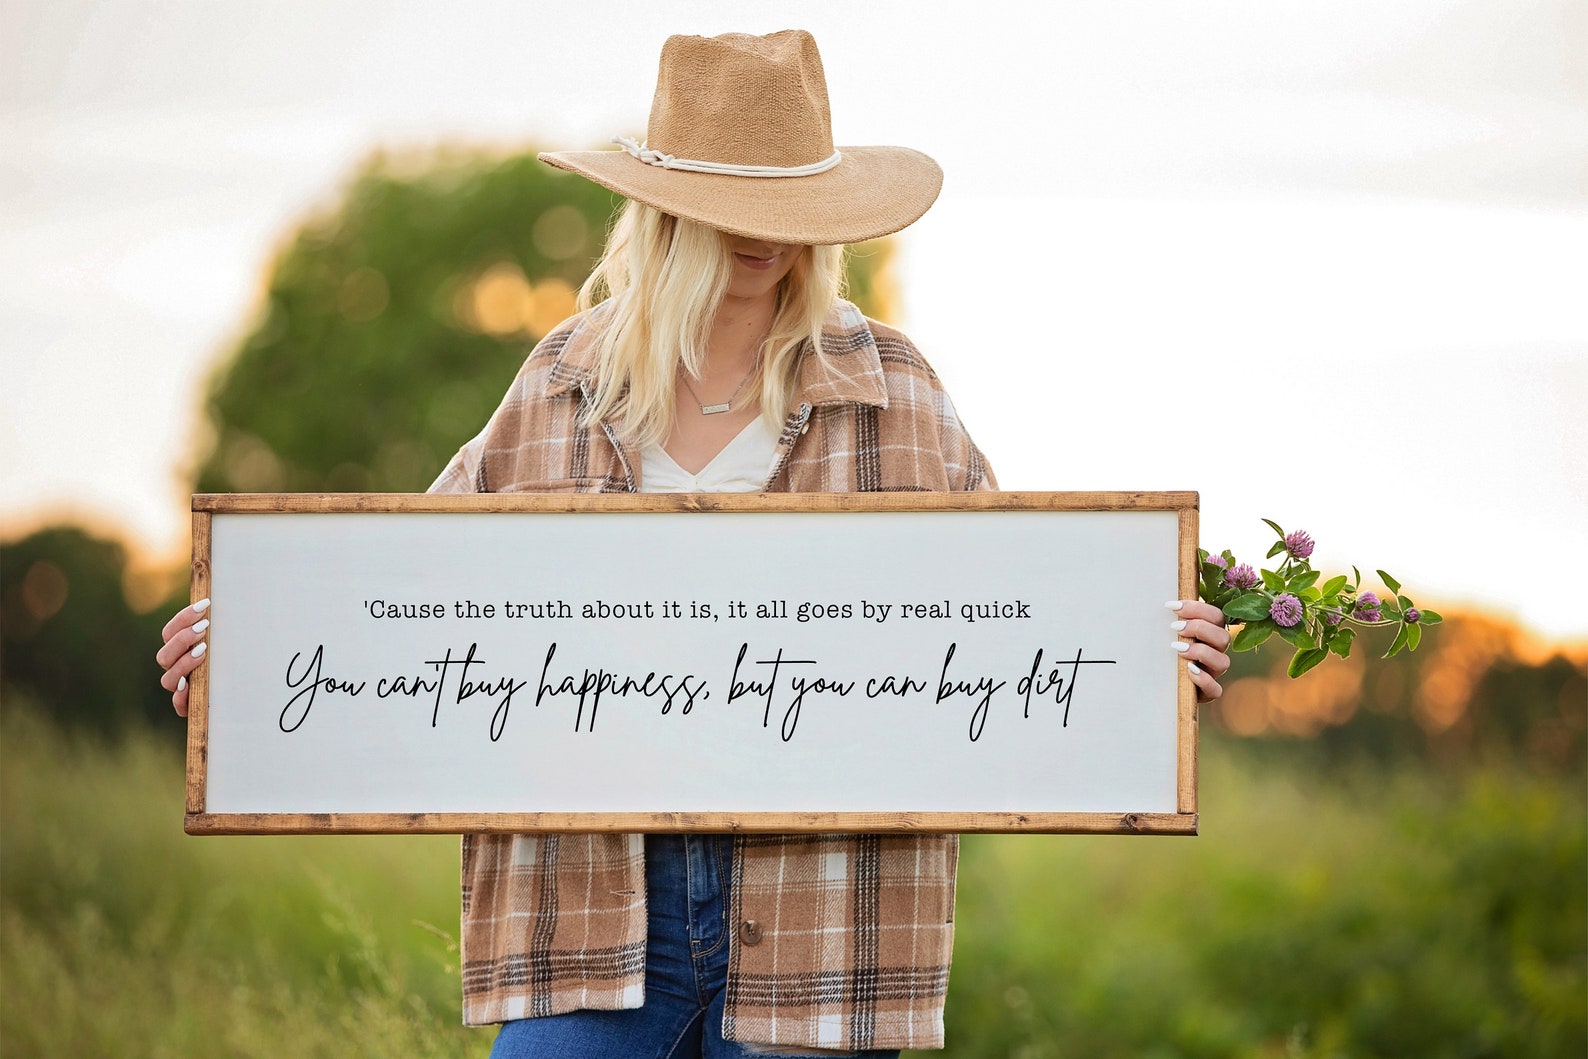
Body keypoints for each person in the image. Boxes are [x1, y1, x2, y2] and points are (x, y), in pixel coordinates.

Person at [157, 29, 1233, 1058]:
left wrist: (1148, 654)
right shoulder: (561, 379)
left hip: (830, 914)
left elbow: (1017, 614)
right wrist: (243, 650)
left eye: (789, 204)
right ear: (663, 210)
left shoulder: (893, 384)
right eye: (730, 205)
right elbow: (401, 593)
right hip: (581, 904)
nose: (765, 234)